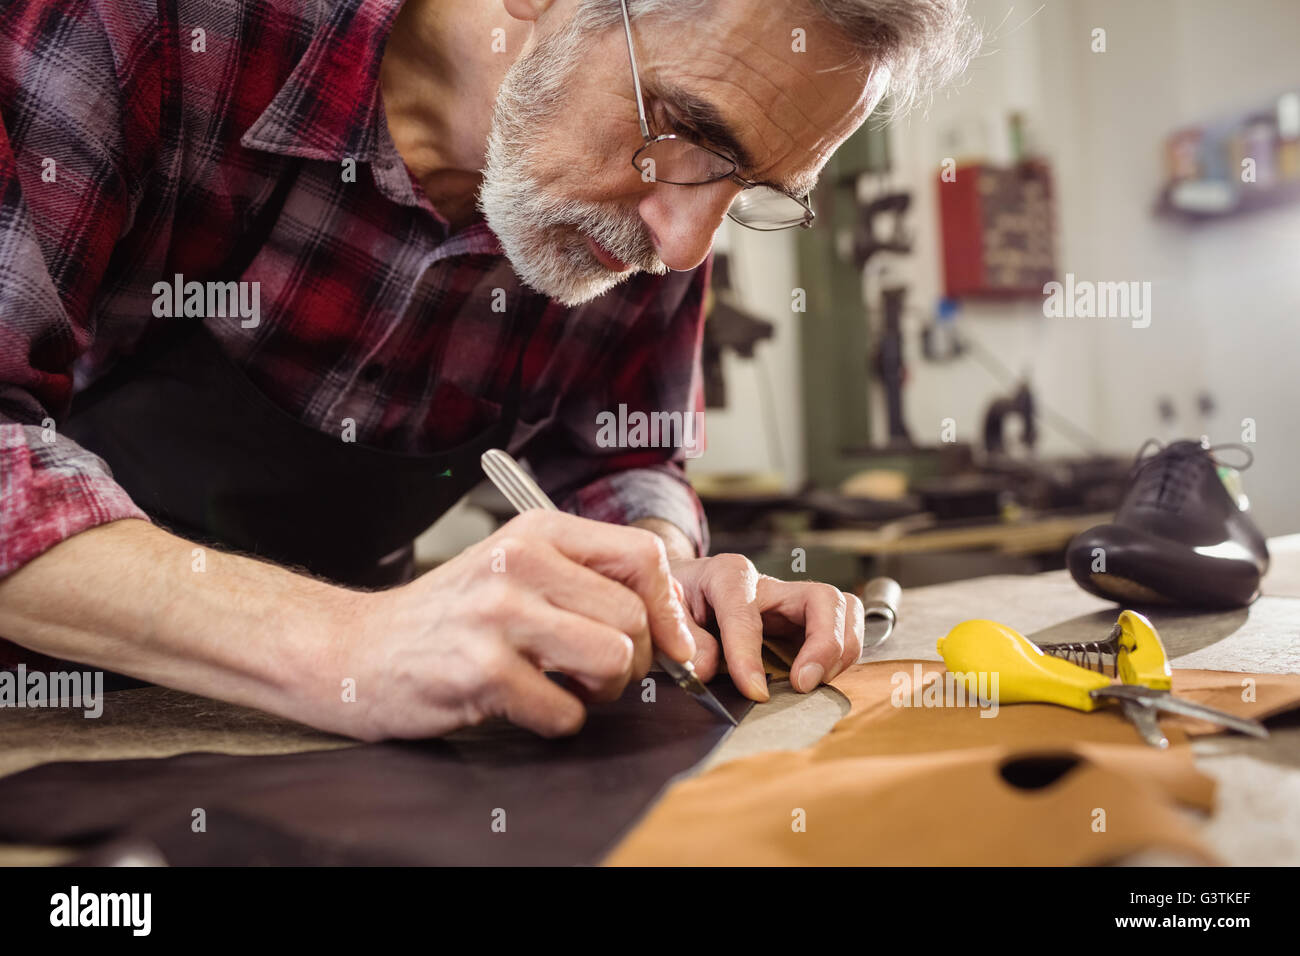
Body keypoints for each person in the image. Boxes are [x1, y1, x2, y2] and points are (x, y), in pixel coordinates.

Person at [0, 0, 977, 739]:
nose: (684, 249)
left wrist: (664, 573)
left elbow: (611, 457)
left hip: (321, 751)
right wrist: (345, 646)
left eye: (754, 188)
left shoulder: (649, 213)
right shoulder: (156, 30)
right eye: (687, 130)